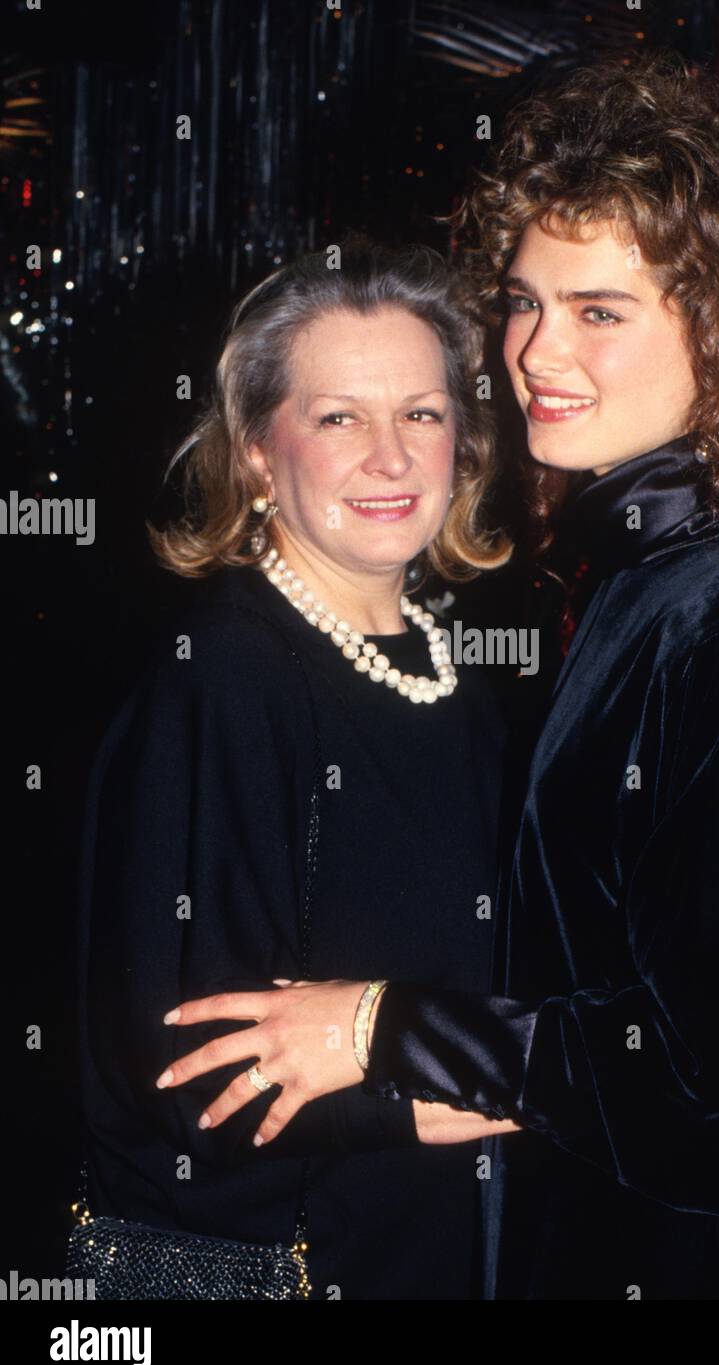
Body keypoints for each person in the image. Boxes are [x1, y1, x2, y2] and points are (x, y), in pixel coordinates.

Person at [158, 53, 719, 1299]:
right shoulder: (624, 579)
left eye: (598, 311)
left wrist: (380, 1028)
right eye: (522, 302)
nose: (533, 353)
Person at [74, 236, 520, 1301]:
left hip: (426, 1248)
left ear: (463, 441)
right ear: (258, 455)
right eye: (338, 417)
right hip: (268, 1269)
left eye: (420, 412)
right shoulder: (222, 681)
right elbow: (196, 1079)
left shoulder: (464, 670)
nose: (391, 456)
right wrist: (523, 1082)